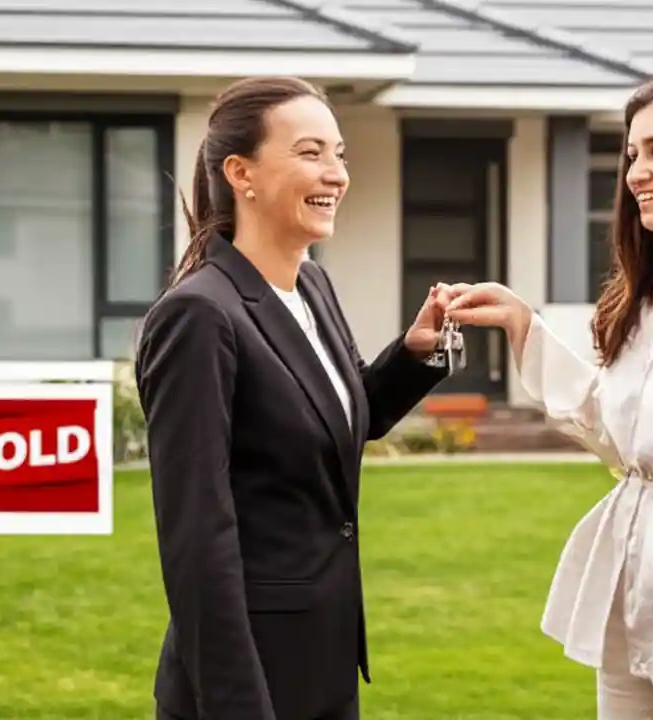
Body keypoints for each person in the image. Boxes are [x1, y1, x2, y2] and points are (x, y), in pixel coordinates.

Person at [437, 72, 653, 720]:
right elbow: (620, 430)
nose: (637, 173)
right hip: (630, 571)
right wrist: (523, 325)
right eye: (632, 154)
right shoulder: (651, 290)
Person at [134, 76, 453, 720]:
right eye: (311, 153)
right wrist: (236, 703)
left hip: (324, 661)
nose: (335, 173)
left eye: (339, 155)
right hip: (248, 680)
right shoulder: (199, 316)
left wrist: (415, 355)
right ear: (241, 173)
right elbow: (197, 536)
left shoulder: (313, 286)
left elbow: (326, 424)